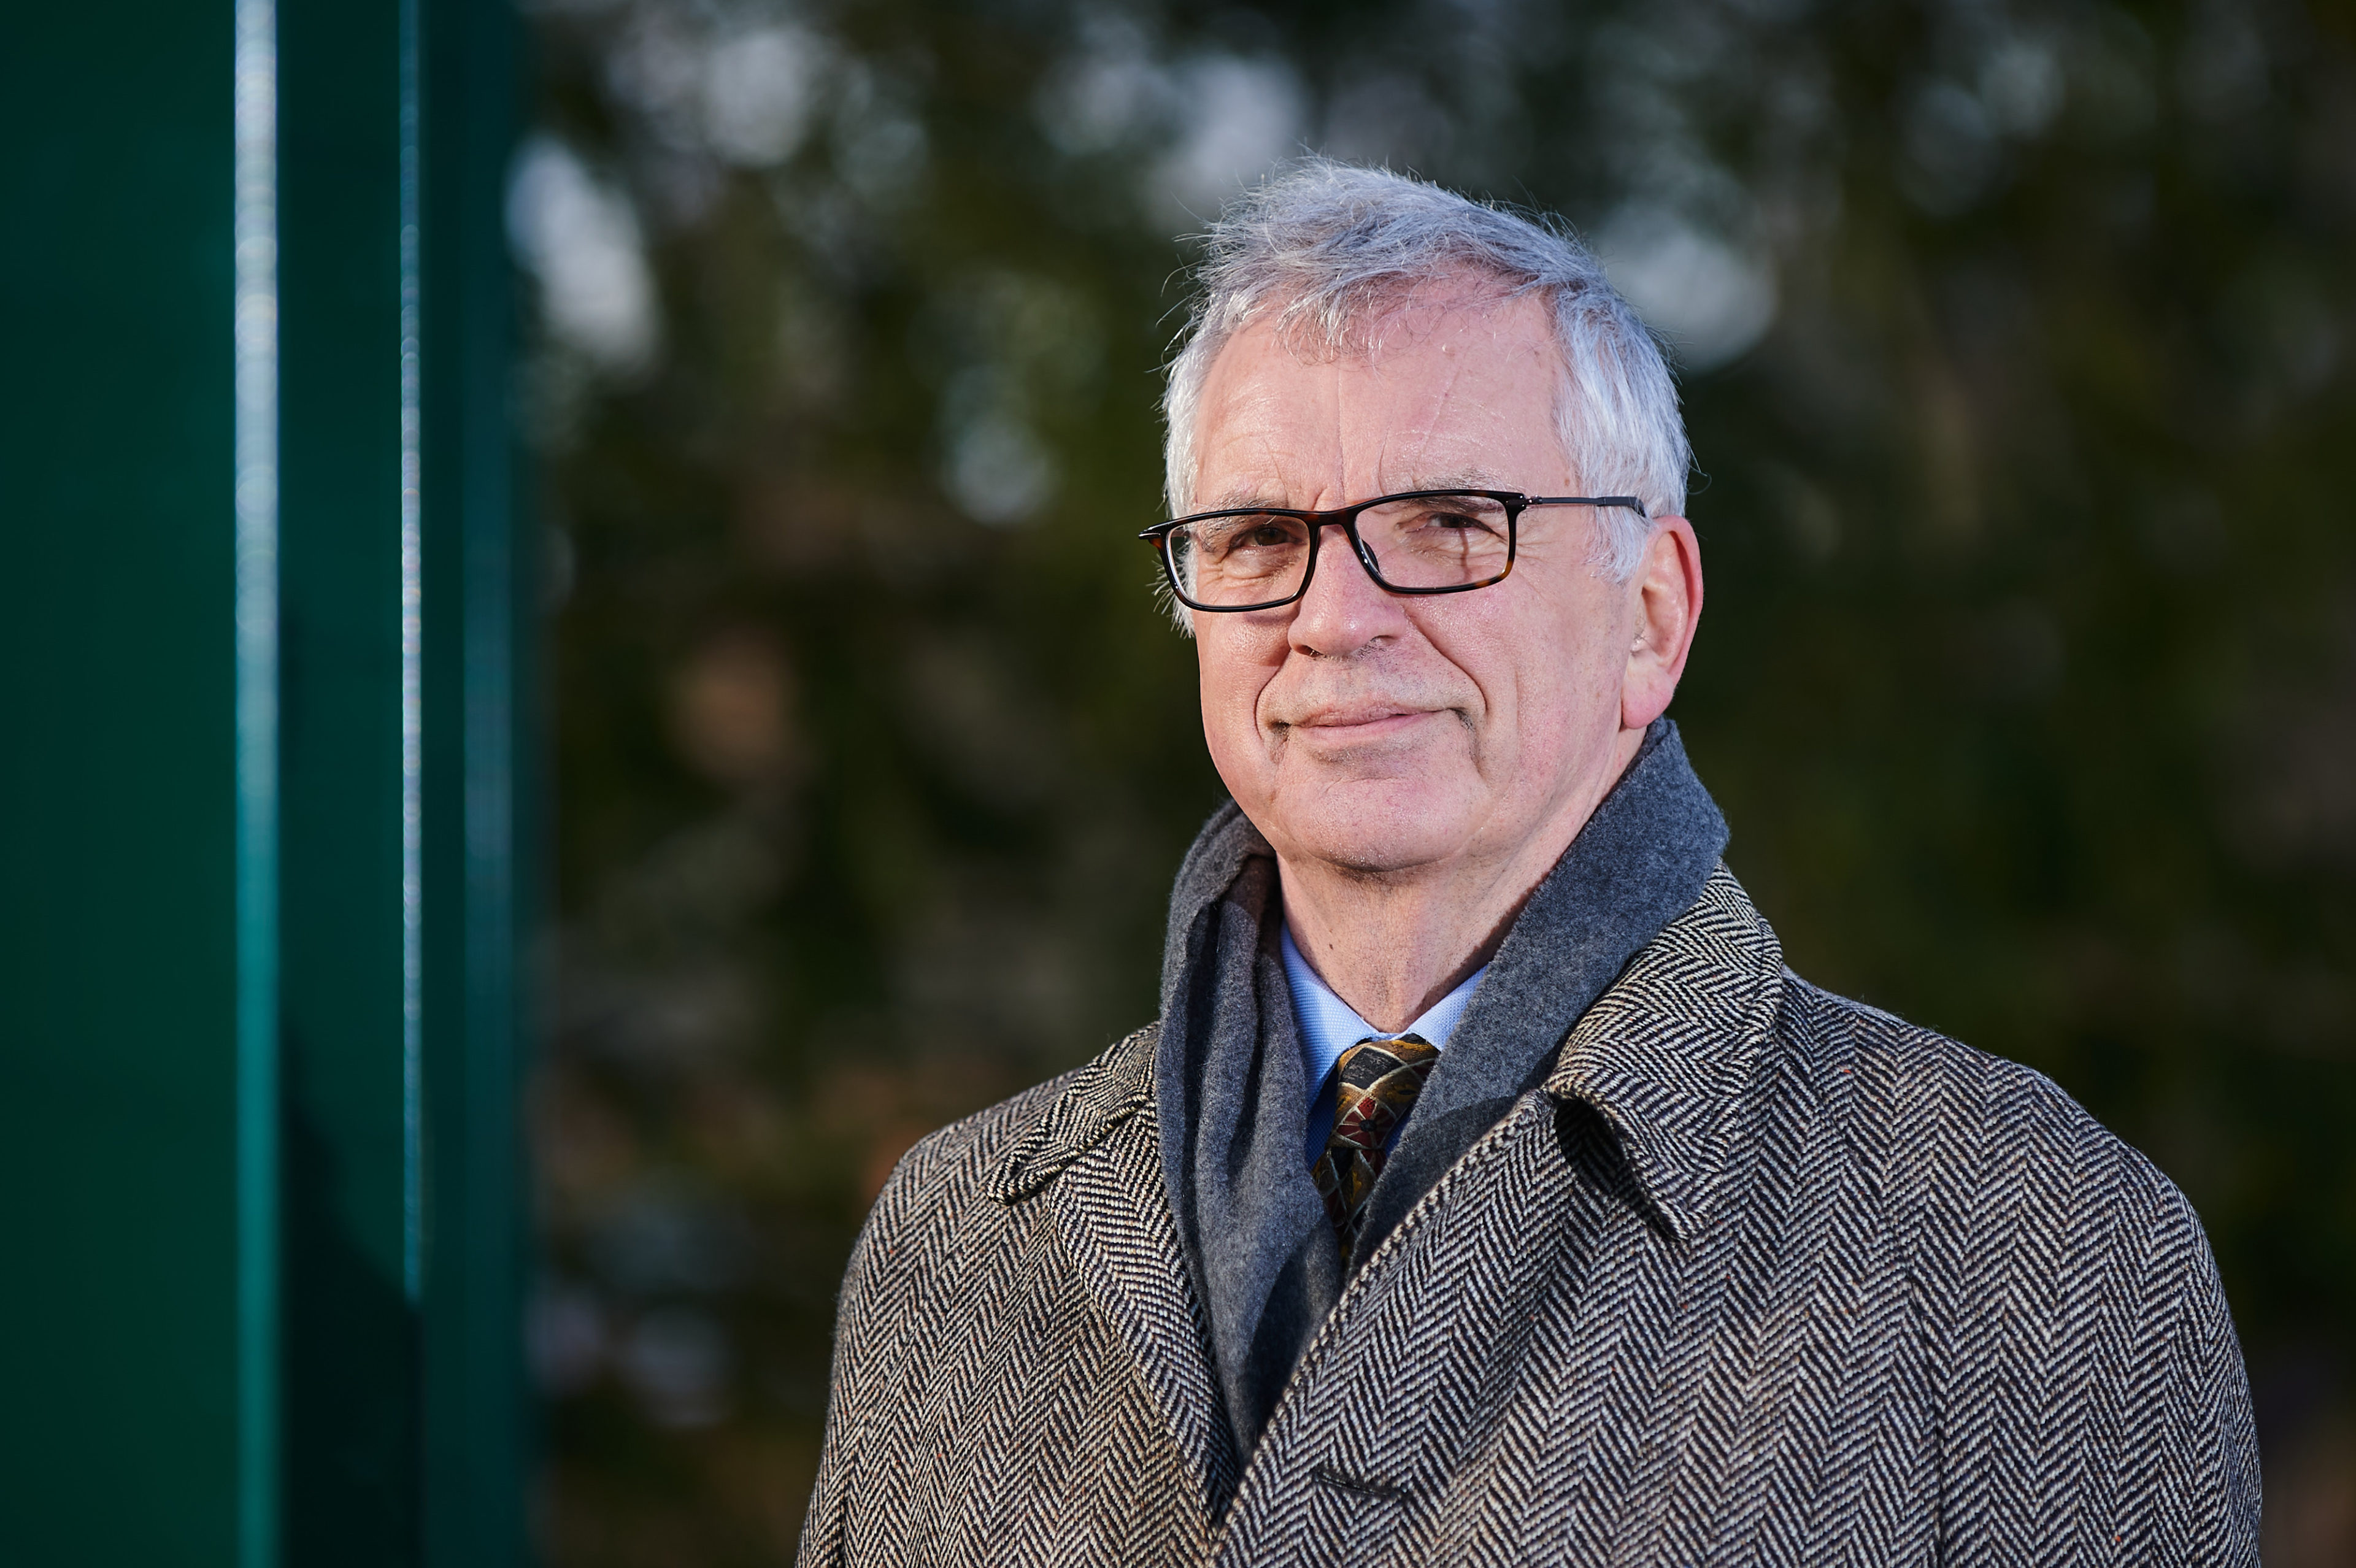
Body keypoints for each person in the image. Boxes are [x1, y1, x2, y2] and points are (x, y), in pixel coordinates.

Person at [796, 161, 2258, 1567]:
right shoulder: (960, 1246)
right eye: (1257, 535)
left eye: (1447, 524)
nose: (1337, 617)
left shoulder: (2032, 1250)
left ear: (1650, 615)